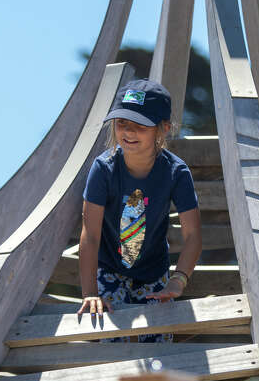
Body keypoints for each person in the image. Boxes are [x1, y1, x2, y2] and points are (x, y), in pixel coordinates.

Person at [77, 79, 201, 340]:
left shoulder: (176, 172)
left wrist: (178, 281)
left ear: (163, 129)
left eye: (140, 126)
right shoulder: (104, 169)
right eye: (122, 123)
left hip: (154, 273)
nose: (129, 132)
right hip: (109, 269)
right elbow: (90, 235)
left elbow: (193, 237)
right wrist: (90, 294)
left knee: (159, 341)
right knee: (107, 331)